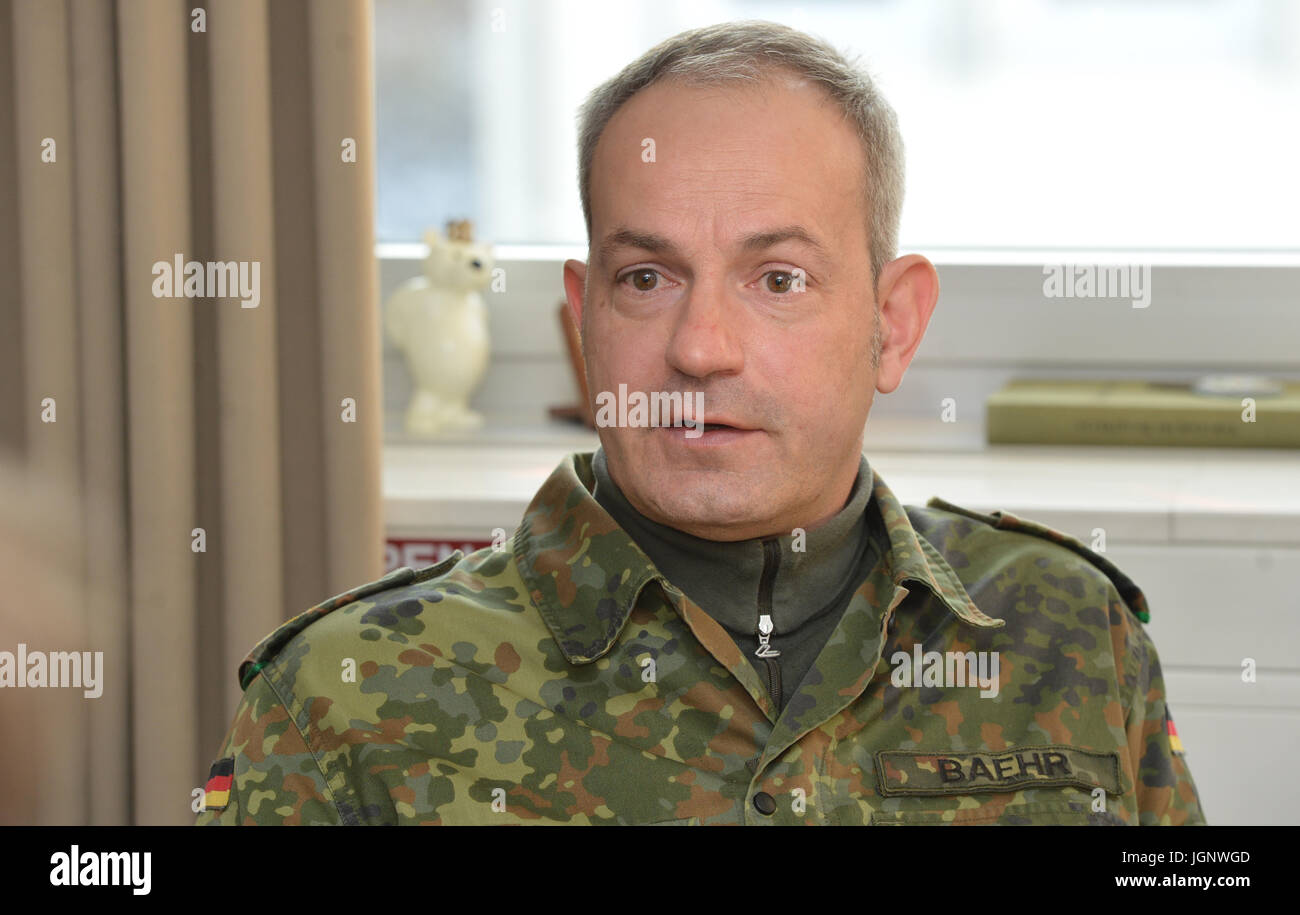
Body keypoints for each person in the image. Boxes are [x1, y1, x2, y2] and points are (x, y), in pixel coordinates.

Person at [197, 20, 1204, 825]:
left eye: (778, 278)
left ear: (891, 327)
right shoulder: (349, 692)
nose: (701, 347)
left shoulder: (1066, 632)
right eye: (647, 277)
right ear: (583, 322)